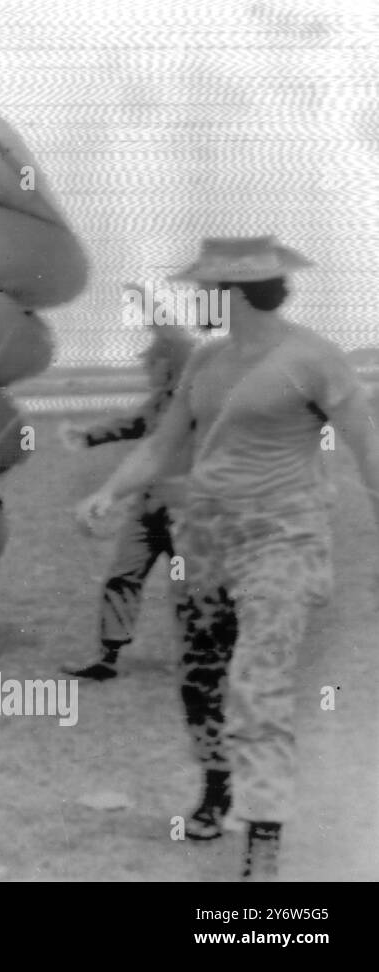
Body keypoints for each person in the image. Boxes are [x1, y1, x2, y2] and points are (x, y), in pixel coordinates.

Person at [76, 235, 379, 880]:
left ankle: (261, 849)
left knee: (258, 683)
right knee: (201, 677)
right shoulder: (207, 361)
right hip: (204, 538)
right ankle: (217, 790)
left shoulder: (314, 358)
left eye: (206, 290)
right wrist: (109, 491)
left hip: (284, 539)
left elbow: (368, 451)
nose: (199, 300)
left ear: (236, 294)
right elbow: (162, 446)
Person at [59, 314, 196, 680]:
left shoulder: (195, 397)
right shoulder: (158, 402)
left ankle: (201, 658)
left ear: (169, 364)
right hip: (148, 507)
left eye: (152, 362)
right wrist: (87, 436)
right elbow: (131, 425)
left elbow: (180, 341)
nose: (147, 368)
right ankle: (108, 657)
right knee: (123, 576)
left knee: (190, 586)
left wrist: (152, 312)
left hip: (187, 509)